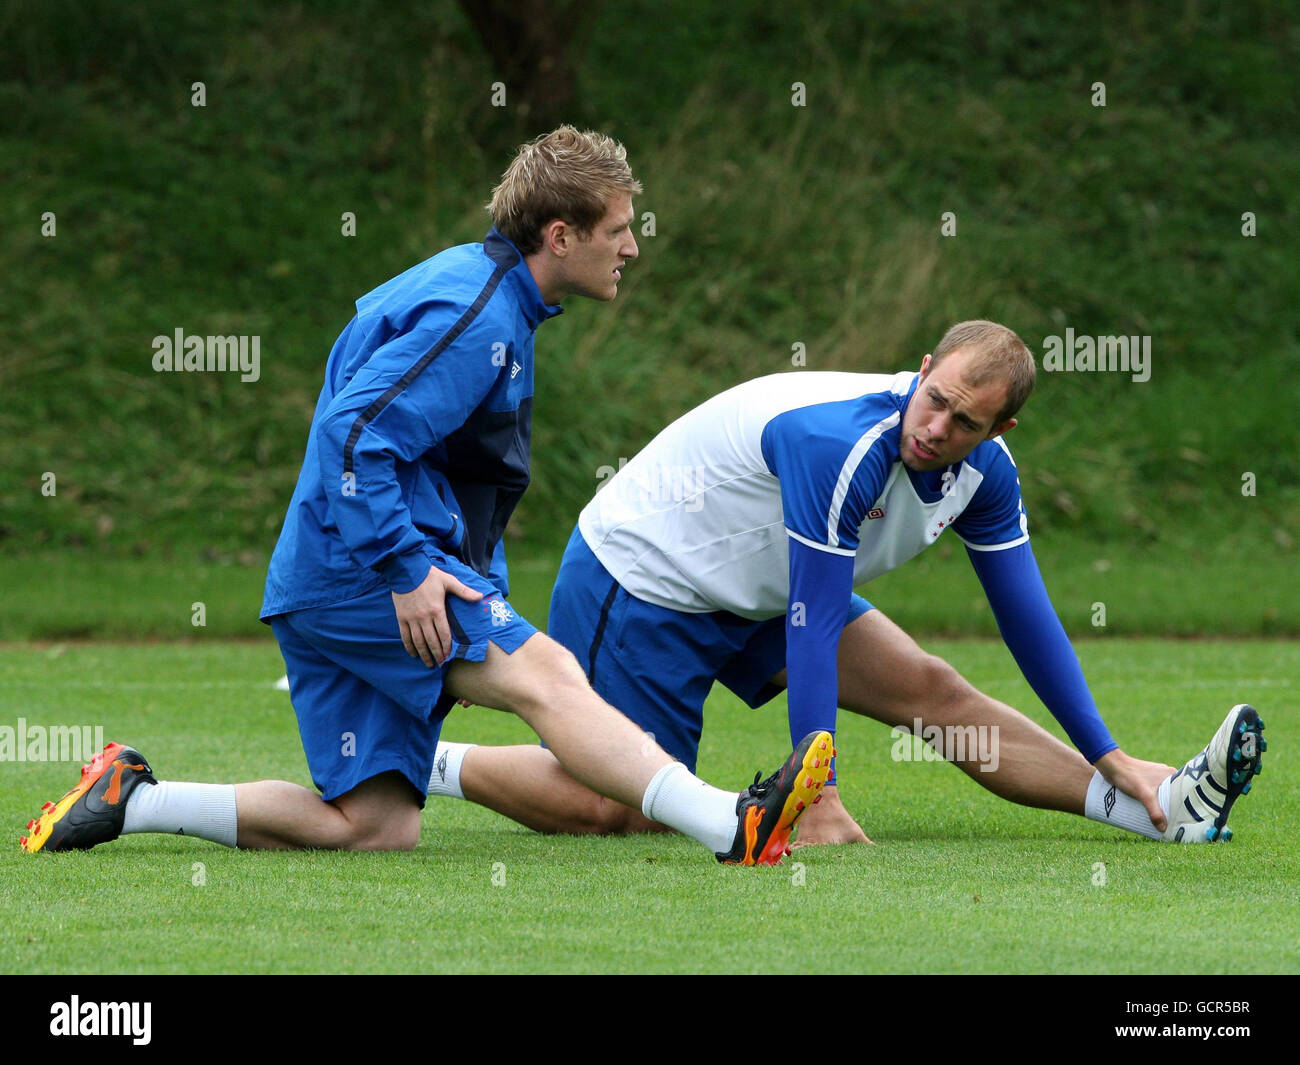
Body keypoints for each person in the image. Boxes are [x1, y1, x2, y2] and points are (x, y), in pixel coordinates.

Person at [20, 126, 833, 866]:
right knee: (546, 675)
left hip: (328, 575)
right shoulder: (476, 316)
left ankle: (133, 796)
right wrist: (407, 568)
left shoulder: (494, 297)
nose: (631, 248)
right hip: (364, 570)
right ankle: (732, 823)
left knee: (372, 826)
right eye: (618, 230)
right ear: (561, 235)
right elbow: (352, 434)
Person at [425, 321, 1266, 846]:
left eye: (966, 421)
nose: (936, 429)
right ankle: (426, 757)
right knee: (623, 809)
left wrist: (1108, 752)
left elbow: (1029, 621)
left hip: (759, 584)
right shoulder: (846, 445)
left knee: (934, 691)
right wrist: (813, 792)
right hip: (648, 574)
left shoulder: (987, 475)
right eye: (934, 399)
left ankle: (1150, 805)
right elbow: (814, 619)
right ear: (924, 366)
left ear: (999, 429)